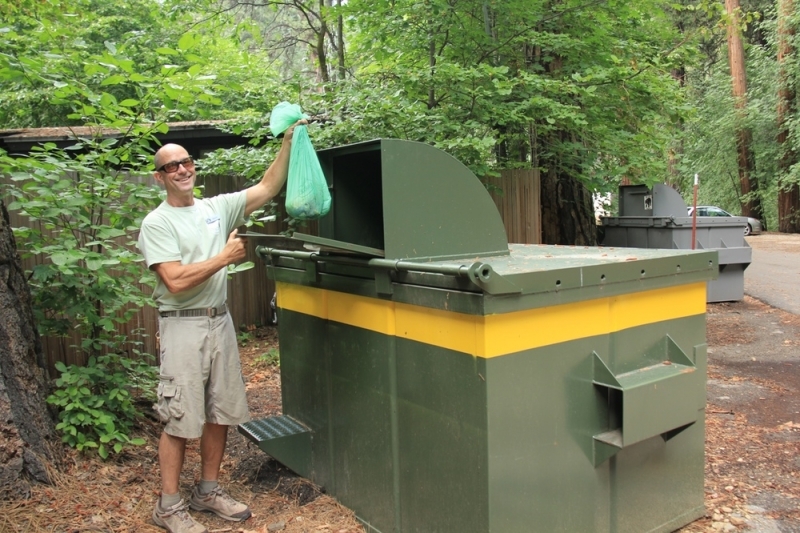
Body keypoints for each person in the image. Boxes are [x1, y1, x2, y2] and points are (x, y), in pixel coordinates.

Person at [138, 124, 301, 533]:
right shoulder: (157, 223)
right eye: (171, 166)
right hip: (182, 328)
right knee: (178, 417)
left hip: (219, 322)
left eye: (186, 162)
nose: (181, 169)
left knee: (220, 412)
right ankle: (169, 506)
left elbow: (267, 186)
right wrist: (225, 257)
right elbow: (174, 280)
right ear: (160, 177)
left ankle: (207, 492)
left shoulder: (216, 207)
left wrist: (287, 144)